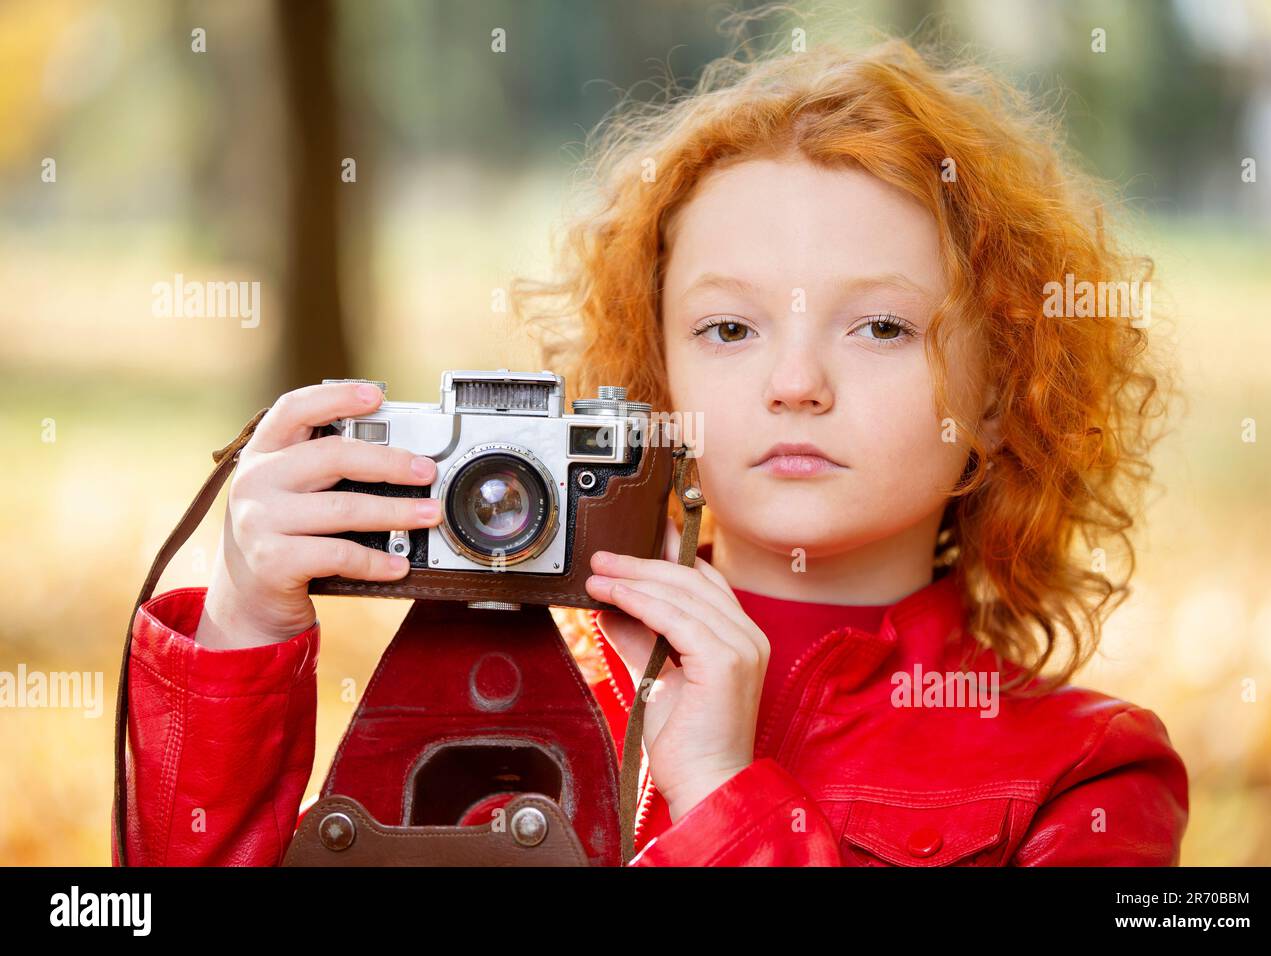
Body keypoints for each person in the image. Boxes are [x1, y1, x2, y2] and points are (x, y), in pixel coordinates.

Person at [113, 34, 1187, 867]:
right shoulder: (500, 668)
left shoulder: (1088, 771)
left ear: (1001, 396)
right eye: (729, 328)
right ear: (659, 381)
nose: (794, 381)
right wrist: (241, 632)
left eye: (881, 327)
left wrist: (725, 791)